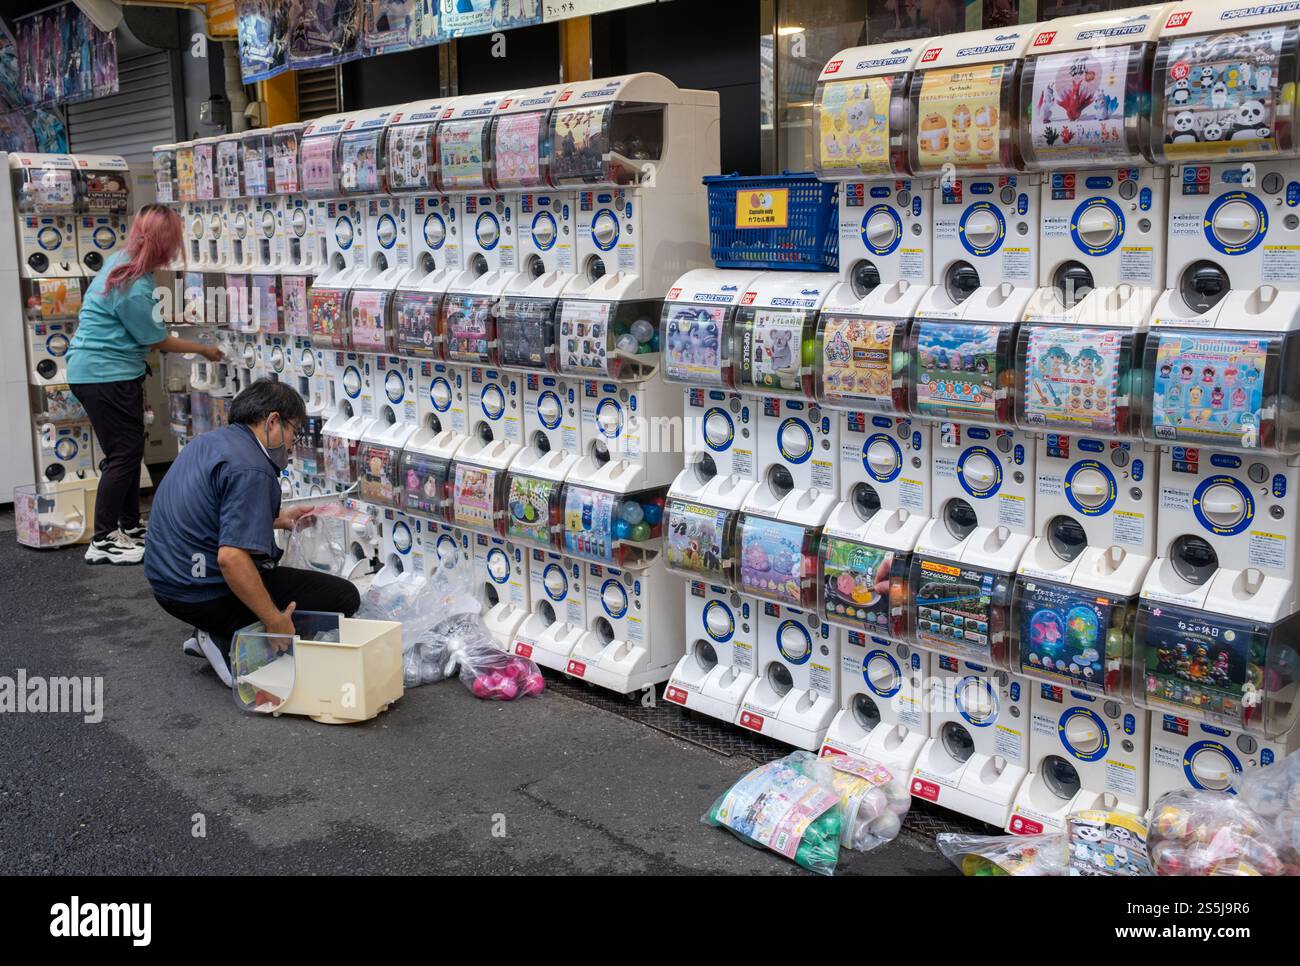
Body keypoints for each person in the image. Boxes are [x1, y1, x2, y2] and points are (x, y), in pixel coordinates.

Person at [144, 379, 361, 686]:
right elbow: (231, 558)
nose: (290, 445)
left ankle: (217, 626)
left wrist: (278, 518)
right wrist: (275, 622)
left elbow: (212, 513)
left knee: (273, 577)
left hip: (166, 581)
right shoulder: (253, 468)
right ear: (273, 421)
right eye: (293, 432)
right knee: (343, 596)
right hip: (201, 592)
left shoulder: (211, 442)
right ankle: (229, 636)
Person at [67, 204, 223, 565]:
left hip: (97, 372)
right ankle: (104, 538)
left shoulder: (124, 263)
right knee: (123, 456)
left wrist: (175, 316)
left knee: (127, 452)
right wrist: (205, 350)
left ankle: (129, 525)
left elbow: (137, 318)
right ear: (165, 242)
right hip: (107, 374)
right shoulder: (135, 282)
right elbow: (156, 340)